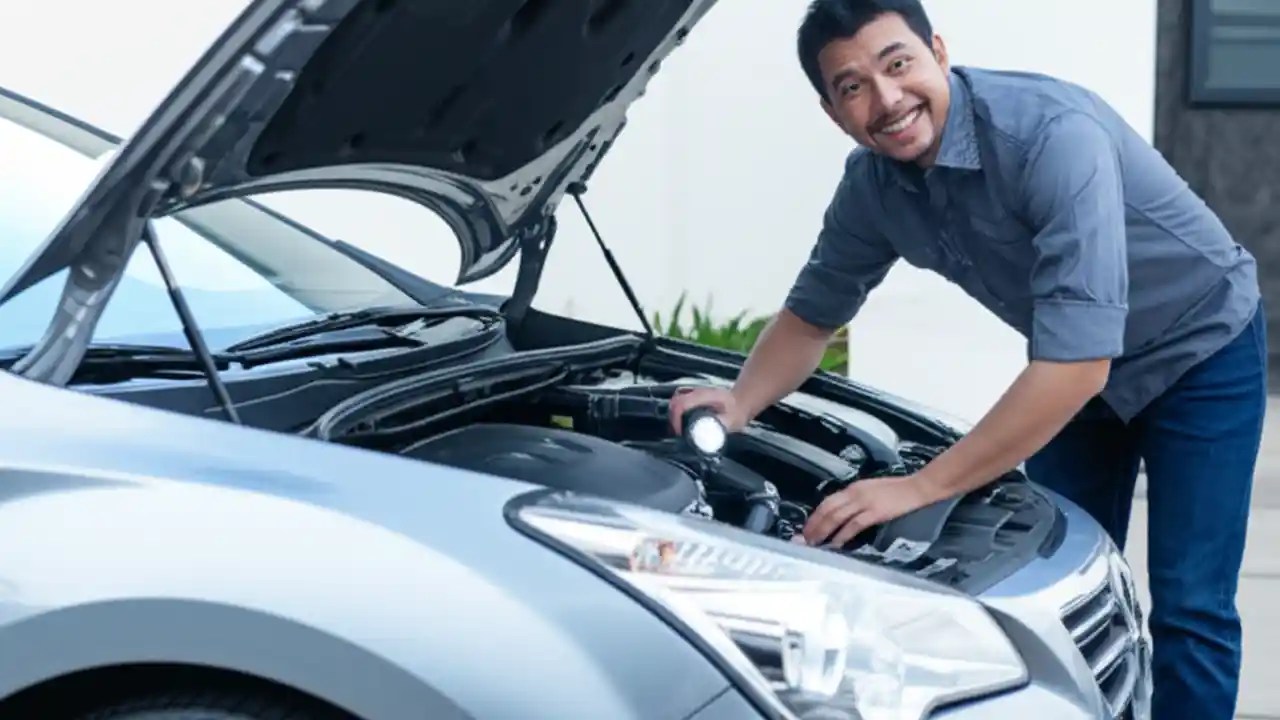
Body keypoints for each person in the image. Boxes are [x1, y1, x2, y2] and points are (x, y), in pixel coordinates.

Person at [667, 1, 1266, 717]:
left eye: (898, 64)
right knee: (1048, 585)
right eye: (853, 86)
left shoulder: (1051, 137)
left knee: (1190, 605)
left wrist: (921, 487)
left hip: (1200, 346)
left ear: (939, 52)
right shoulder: (873, 188)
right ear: (832, 111)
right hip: (1078, 370)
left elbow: (1079, 366)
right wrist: (739, 403)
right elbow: (812, 316)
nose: (888, 99)